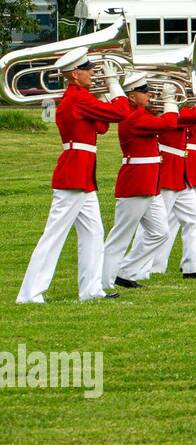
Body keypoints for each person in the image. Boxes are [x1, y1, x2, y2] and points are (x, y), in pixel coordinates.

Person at [16, 49, 129, 304]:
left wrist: (101, 99)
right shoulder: (77, 98)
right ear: (76, 75)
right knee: (54, 235)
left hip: (83, 175)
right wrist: (113, 85)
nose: (93, 73)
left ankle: (91, 290)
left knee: (93, 233)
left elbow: (101, 127)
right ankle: (30, 293)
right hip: (74, 174)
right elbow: (121, 113)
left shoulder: (80, 98)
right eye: (89, 70)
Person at [121, 85, 196, 281]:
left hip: (180, 172)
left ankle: (192, 266)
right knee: (152, 226)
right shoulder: (158, 116)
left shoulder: (169, 112)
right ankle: (138, 270)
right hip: (167, 172)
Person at [101, 73, 180, 290]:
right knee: (120, 236)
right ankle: (103, 282)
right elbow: (169, 123)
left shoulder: (139, 114)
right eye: (144, 92)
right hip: (136, 184)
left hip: (149, 184)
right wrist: (171, 100)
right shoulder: (133, 117)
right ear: (132, 97)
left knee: (160, 233)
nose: (149, 95)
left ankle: (125, 272)